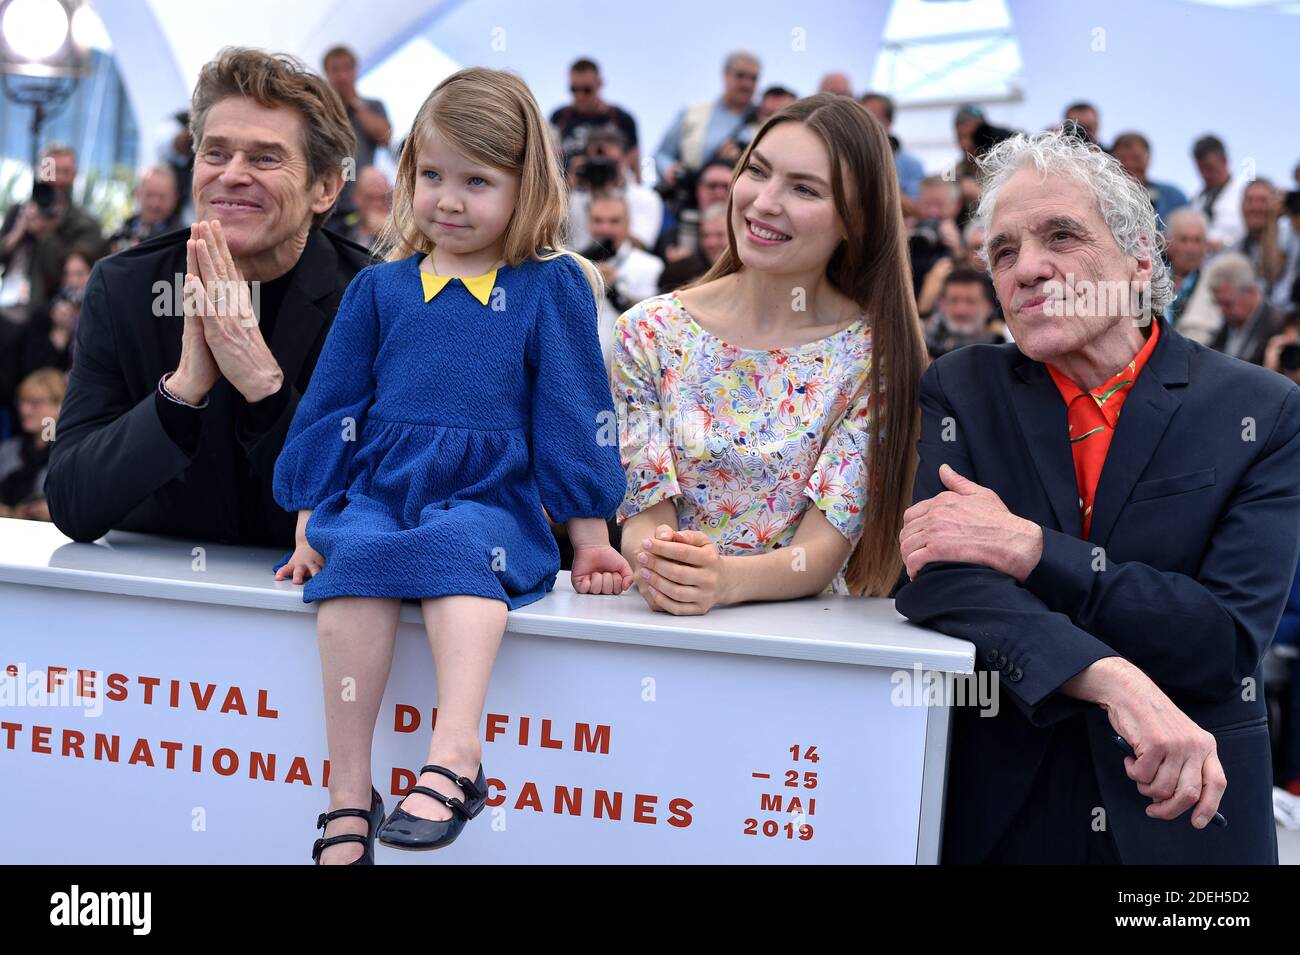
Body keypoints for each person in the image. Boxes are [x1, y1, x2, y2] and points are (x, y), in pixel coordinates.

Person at [894, 128, 1300, 864]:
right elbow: (942, 579)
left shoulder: (1261, 409)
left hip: (1184, 821)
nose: (1027, 269)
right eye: (1004, 251)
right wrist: (1110, 678)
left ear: (1139, 258)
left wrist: (1030, 549)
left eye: (1060, 236)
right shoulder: (963, 386)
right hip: (1002, 813)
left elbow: (1221, 639)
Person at [271, 67, 632, 865]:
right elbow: (332, 412)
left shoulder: (551, 287)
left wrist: (592, 535)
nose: (450, 200)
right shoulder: (379, 289)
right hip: (380, 488)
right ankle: (348, 791)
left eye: (478, 180)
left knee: (463, 555)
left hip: (487, 496)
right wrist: (307, 522)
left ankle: (455, 751)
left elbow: (572, 416)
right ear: (408, 177)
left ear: (525, 185)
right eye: (432, 175)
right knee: (350, 569)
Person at [44, 47, 371, 546]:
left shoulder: (375, 300)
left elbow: (376, 502)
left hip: (309, 604)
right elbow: (72, 501)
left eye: (265, 158)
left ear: (325, 187)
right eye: (215, 153)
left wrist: (265, 387)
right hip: (154, 598)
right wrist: (181, 391)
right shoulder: (125, 287)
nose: (232, 174)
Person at [613, 93, 925, 614]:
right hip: (659, 633)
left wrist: (723, 581)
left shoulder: (875, 356)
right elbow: (645, 508)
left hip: (804, 651)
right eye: (757, 171)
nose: (763, 202)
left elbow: (821, 550)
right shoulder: (648, 331)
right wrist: (665, 566)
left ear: (856, 220)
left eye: (804, 188)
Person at [654, 51, 759, 190]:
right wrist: (670, 169)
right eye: (740, 76)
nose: (746, 84)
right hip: (691, 202)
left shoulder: (765, 121)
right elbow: (661, 154)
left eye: (753, 78)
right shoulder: (692, 113)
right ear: (725, 75)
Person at [583, 192, 663, 369]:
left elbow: (650, 322)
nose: (605, 229)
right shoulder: (576, 263)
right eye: (598, 220)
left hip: (630, 368)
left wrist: (615, 288)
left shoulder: (651, 266)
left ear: (628, 224)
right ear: (589, 223)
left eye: (614, 221)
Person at [321, 45, 392, 224]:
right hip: (328, 201)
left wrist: (354, 102)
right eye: (335, 69)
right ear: (327, 73)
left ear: (355, 70)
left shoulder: (372, 106)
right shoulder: (321, 110)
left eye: (347, 68)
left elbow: (384, 136)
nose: (342, 76)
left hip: (363, 203)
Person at [549, 58, 640, 179]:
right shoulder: (559, 118)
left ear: (600, 84)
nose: (580, 96)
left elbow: (635, 168)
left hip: (612, 193)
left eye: (587, 90)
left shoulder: (622, 119)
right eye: (574, 89)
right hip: (568, 192)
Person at [0, 367, 63, 521]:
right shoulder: (9, 450)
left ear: (59, 406)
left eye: (35, 403)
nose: (24, 409)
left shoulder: (68, 453)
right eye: (22, 401)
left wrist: (59, 511)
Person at [1206, 252, 1284, 365]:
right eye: (1218, 303)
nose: (1221, 310)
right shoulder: (1230, 322)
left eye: (1227, 303)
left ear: (1251, 292)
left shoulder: (1276, 325)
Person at [1109, 131, 1187, 226]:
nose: (1130, 164)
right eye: (1123, 159)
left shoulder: (1173, 197)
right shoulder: (1102, 197)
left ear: (1148, 159)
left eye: (1136, 158)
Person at [860, 92, 924, 201]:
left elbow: (916, 205)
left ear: (889, 122)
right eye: (861, 118)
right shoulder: (849, 159)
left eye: (873, 117)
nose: (866, 124)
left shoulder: (911, 165)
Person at [108, 165, 183, 253]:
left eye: (162, 197)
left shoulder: (180, 239)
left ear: (175, 198)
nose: (155, 204)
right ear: (137, 193)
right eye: (149, 195)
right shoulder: (120, 230)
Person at [1192, 134, 1247, 250]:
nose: (1206, 175)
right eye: (1201, 170)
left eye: (1210, 168)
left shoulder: (1245, 192)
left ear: (1224, 160)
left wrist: (1225, 243)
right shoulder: (1196, 200)